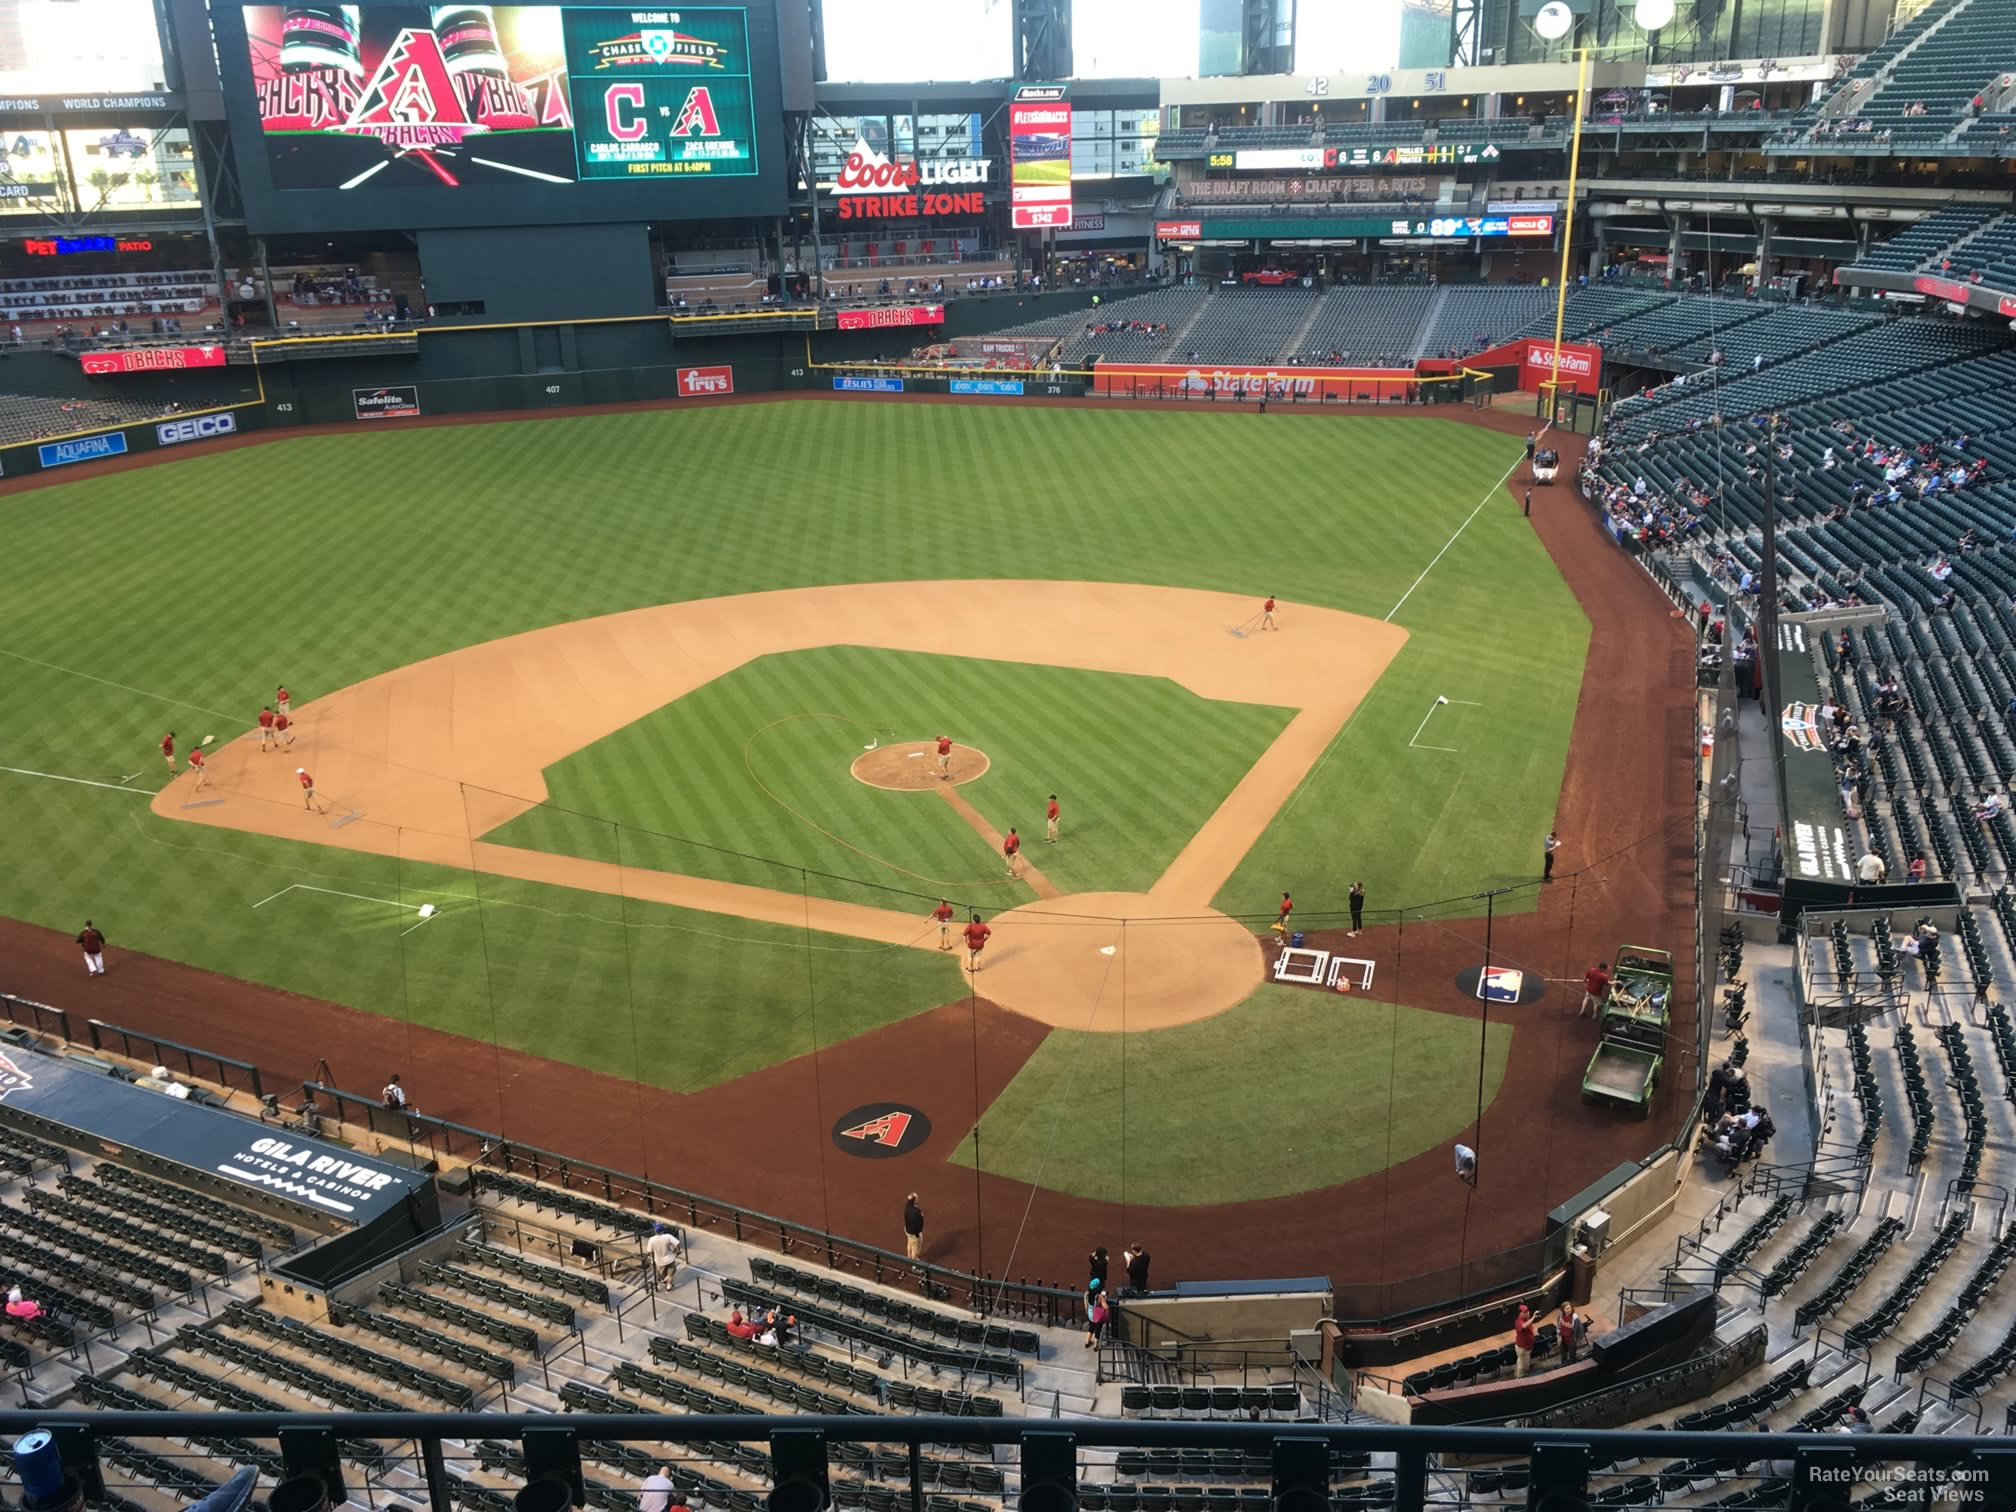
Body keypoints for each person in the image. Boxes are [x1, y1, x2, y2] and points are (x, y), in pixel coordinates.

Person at [1512, 1304, 1537, 1377]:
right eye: (1525, 1312)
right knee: (1523, 1366)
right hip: (1523, 1348)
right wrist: (1534, 1317)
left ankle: (1517, 1375)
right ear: (1520, 1313)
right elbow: (1524, 1326)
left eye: (1528, 1311)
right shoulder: (1518, 1321)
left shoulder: (1527, 1319)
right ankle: (1519, 1379)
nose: (1528, 1313)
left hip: (1527, 1347)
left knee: (1520, 1363)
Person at [903, 1192, 925, 1260]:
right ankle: (914, 1266)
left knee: (909, 1244)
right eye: (917, 1197)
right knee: (915, 1249)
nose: (918, 1198)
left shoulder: (907, 1206)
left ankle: (909, 1258)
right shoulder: (916, 1211)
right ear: (914, 1200)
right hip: (914, 1233)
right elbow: (917, 1223)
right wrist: (917, 1234)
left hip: (908, 1230)